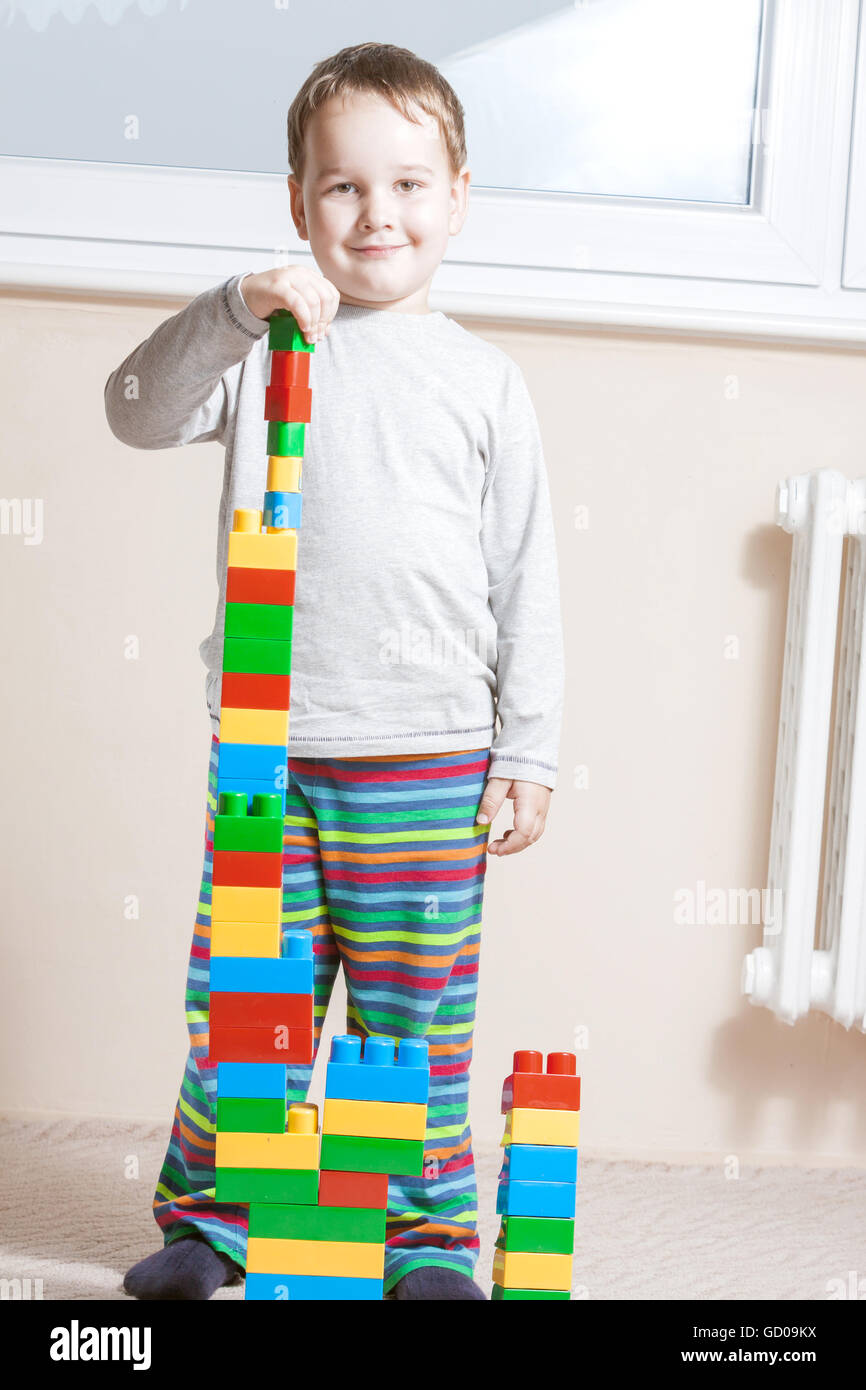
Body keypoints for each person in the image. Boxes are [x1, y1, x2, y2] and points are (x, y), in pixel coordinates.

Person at [105, 40, 564, 1301]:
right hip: (269, 747)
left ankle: (420, 1243)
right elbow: (133, 406)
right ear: (299, 202)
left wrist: (527, 750)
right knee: (245, 1004)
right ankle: (213, 1226)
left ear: (457, 198)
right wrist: (231, 308)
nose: (379, 213)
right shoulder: (265, 349)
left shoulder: (483, 380)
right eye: (346, 186)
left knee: (411, 1025)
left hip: (427, 755)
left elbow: (527, 577)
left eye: (410, 184)